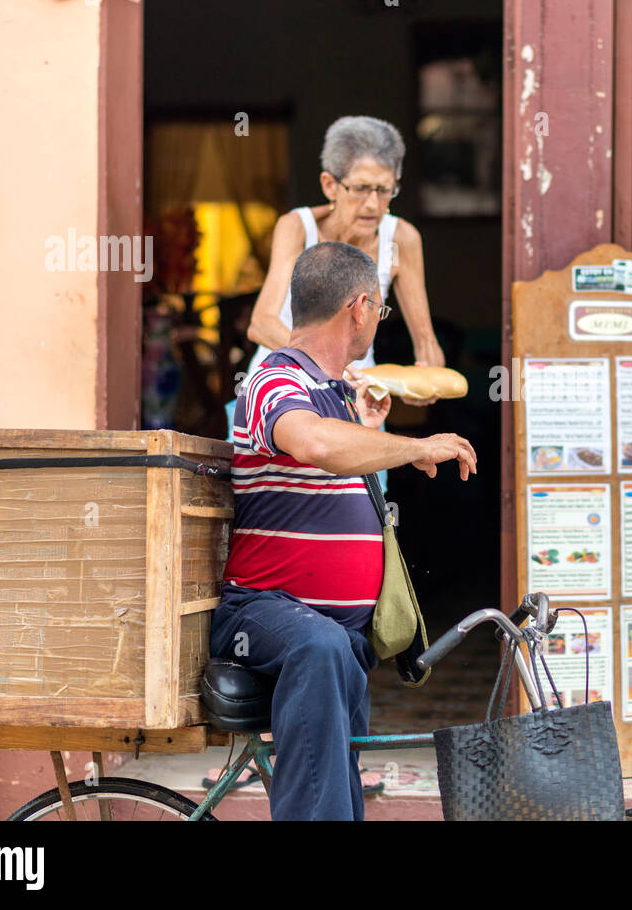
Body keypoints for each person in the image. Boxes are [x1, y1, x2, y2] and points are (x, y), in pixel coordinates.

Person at [210, 241, 476, 820]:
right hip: (264, 613)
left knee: (343, 783)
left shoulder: (335, 394)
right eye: (381, 311)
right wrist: (412, 446)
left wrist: (371, 432)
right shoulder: (273, 379)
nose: (376, 321)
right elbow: (315, 443)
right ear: (359, 309)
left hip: (334, 634)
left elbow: (334, 453)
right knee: (322, 647)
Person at [233, 116, 444, 494]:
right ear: (330, 185)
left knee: (363, 516)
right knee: (270, 510)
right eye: (361, 188)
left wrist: (428, 378)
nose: (373, 204)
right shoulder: (297, 228)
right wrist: (329, 370)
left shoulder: (402, 239)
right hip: (281, 396)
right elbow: (262, 324)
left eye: (385, 190)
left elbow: (426, 343)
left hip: (357, 403)